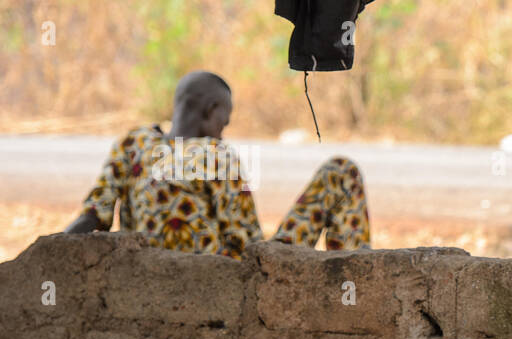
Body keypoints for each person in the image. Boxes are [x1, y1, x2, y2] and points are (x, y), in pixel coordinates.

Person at [64, 71, 370, 258]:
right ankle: (357, 280)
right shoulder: (215, 154)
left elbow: (94, 214)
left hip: (151, 275)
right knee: (341, 172)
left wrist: (50, 252)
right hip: (233, 281)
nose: (226, 126)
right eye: (225, 118)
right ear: (212, 110)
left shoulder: (133, 142)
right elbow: (246, 242)